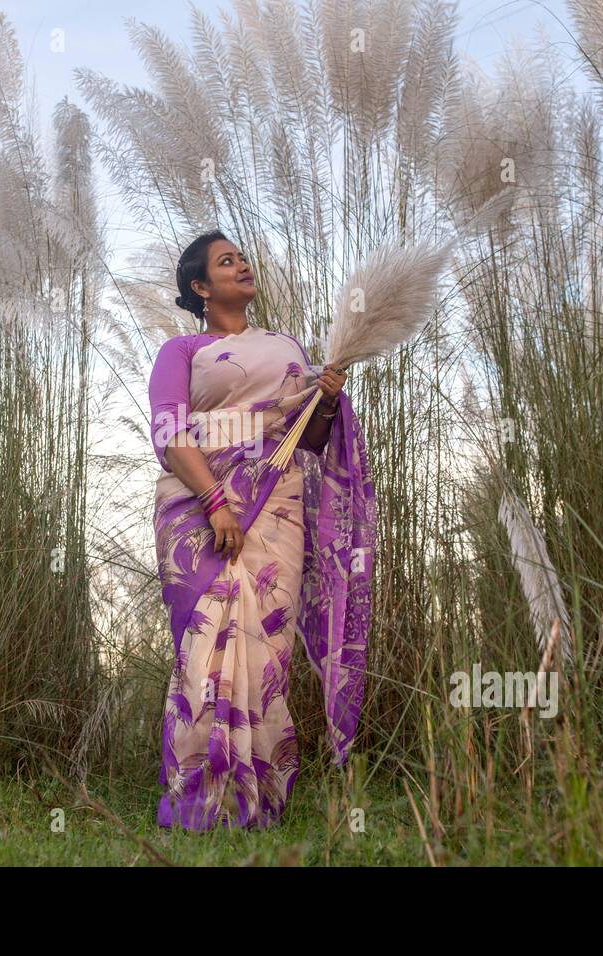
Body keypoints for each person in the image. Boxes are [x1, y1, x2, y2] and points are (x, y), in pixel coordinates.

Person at [148, 229, 377, 831]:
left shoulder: (286, 348)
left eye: (242, 257)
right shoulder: (182, 350)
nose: (242, 265)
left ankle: (255, 796)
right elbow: (170, 434)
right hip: (199, 506)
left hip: (276, 506)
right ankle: (202, 793)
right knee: (203, 647)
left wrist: (325, 400)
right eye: (227, 262)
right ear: (201, 287)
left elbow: (311, 439)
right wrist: (216, 500)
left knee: (265, 647)